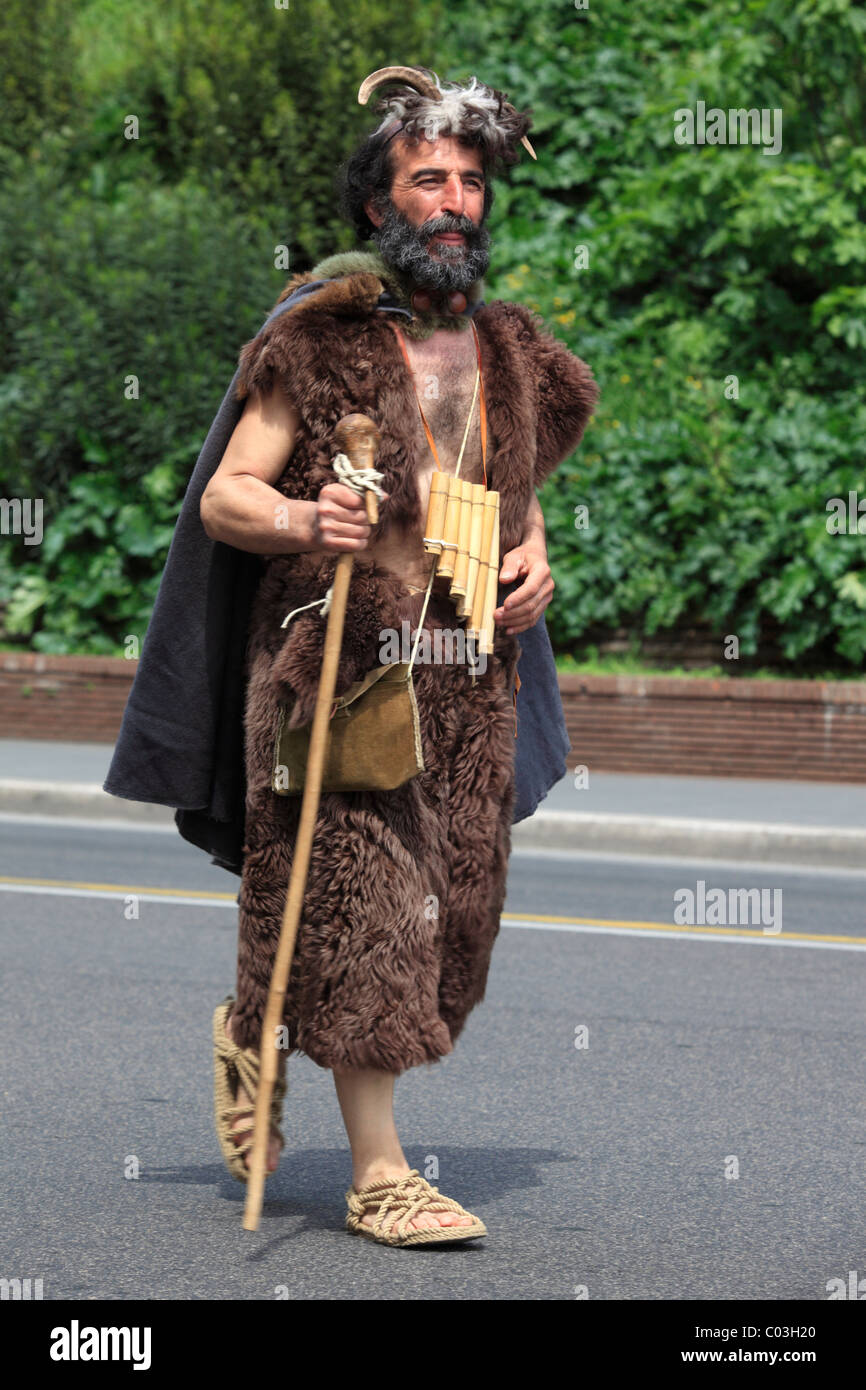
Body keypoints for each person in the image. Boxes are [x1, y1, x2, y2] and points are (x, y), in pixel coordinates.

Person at [108, 65, 599, 1248]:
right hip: (337, 670)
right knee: (367, 909)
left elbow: (514, 496)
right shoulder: (317, 339)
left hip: (469, 681)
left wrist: (532, 553)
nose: (452, 199)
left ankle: (251, 1023)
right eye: (426, 177)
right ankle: (380, 1173)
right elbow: (229, 494)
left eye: (469, 181)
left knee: (446, 923)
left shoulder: (511, 352)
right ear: (378, 205)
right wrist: (299, 519)